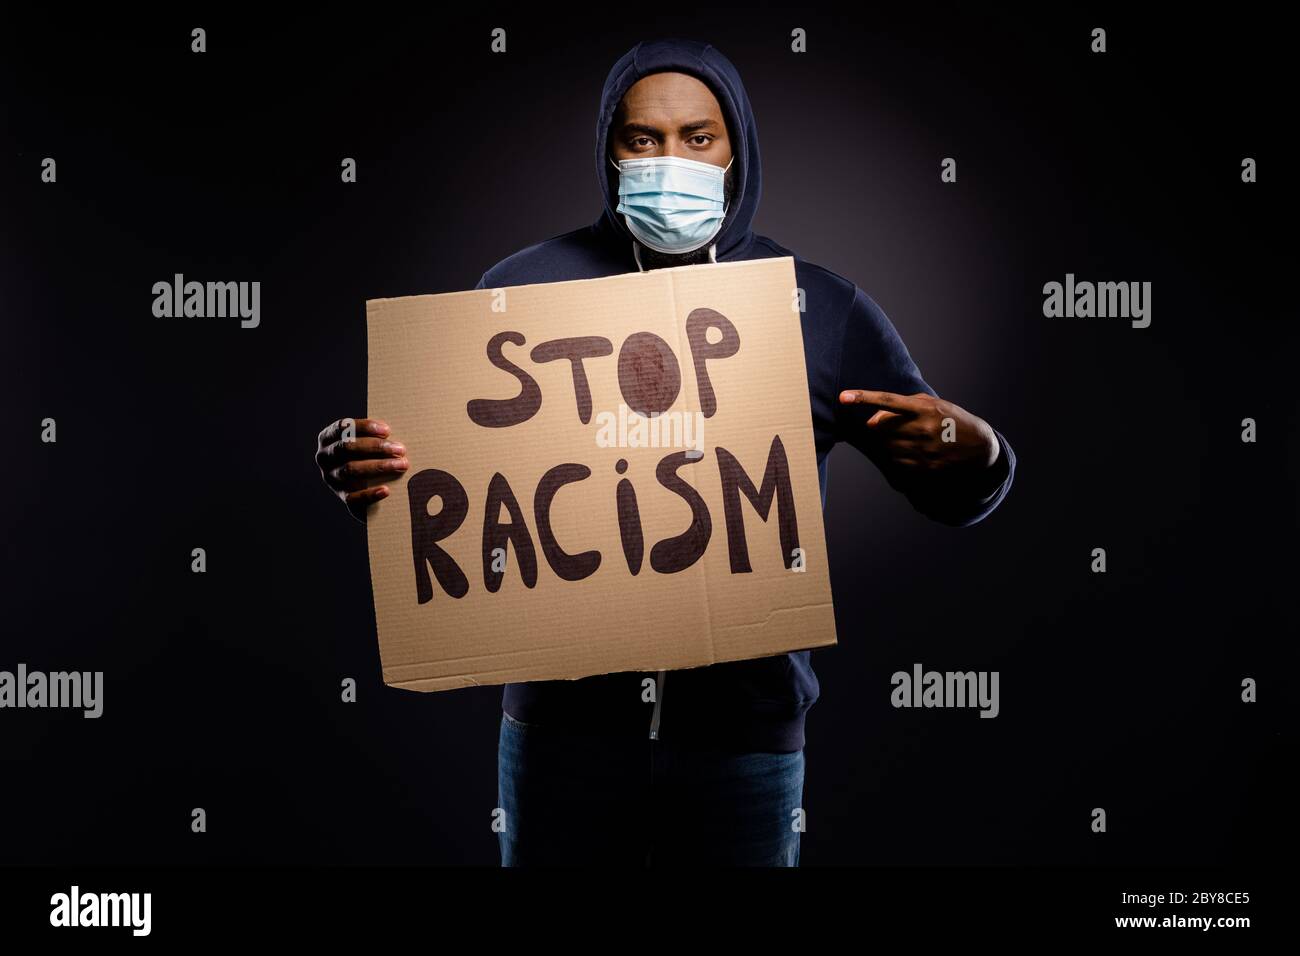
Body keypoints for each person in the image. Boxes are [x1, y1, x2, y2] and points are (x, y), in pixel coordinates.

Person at [315, 38, 1015, 866]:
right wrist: (369, 478)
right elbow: (455, 506)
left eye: (698, 137)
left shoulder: (818, 307)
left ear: (736, 149)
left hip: (746, 745)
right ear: (609, 151)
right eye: (642, 140)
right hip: (557, 743)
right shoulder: (520, 291)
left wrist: (978, 454)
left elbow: (948, 487)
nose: (669, 160)